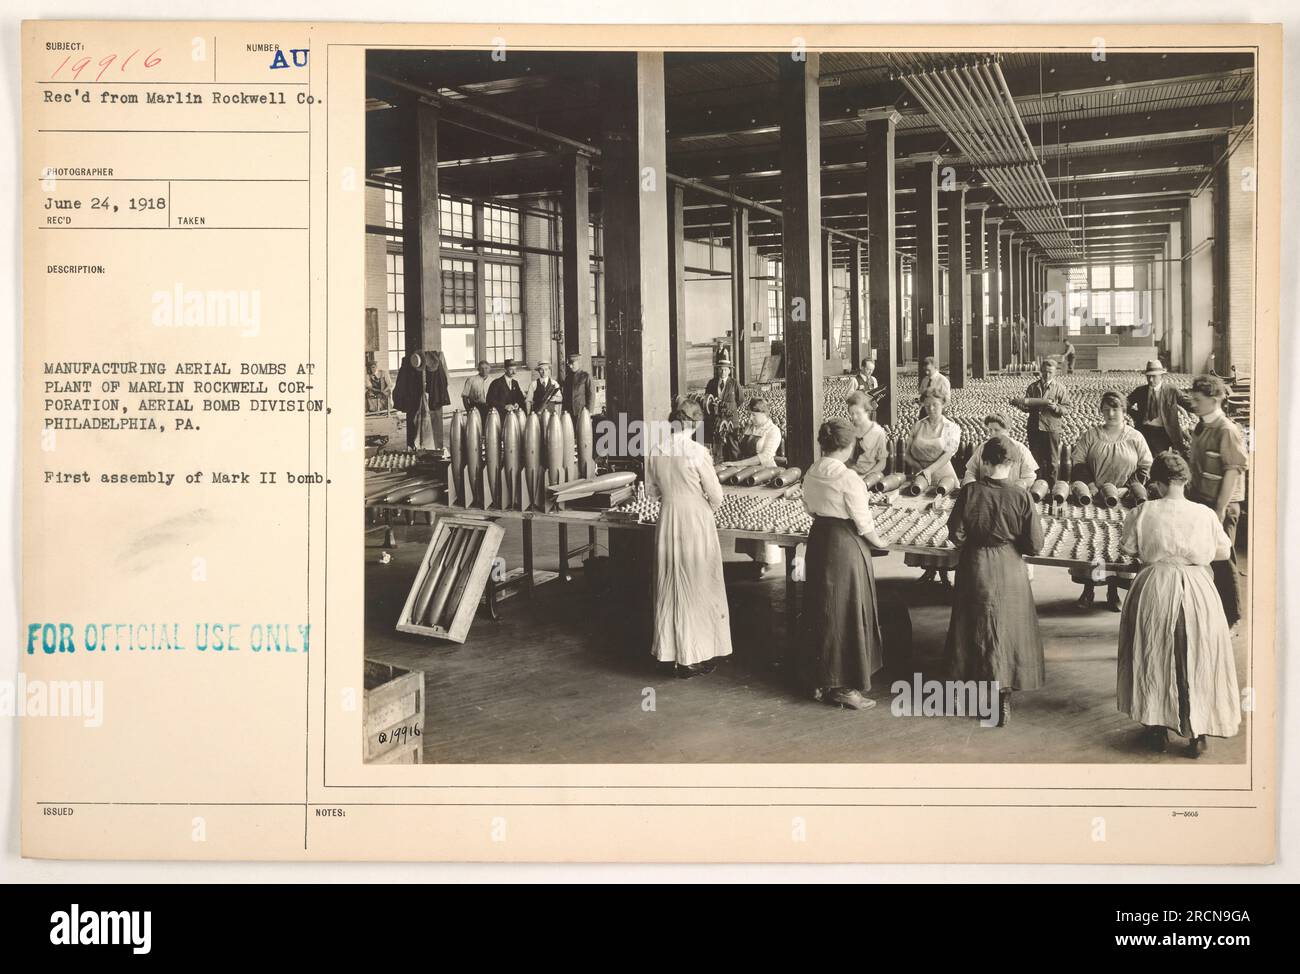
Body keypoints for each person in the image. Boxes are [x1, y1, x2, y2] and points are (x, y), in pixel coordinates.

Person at [1117, 452, 1240, 757]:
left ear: (1157, 483)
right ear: (1185, 481)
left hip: (1156, 586)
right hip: (1197, 589)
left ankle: (1157, 728)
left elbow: (1128, 547)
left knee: (1154, 654)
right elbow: (1223, 552)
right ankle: (1196, 733)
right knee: (1196, 655)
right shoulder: (1204, 513)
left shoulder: (1144, 511)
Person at [945, 436, 1046, 728]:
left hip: (976, 566)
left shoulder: (970, 492)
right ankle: (1003, 695)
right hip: (1010, 567)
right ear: (1012, 464)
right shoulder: (1021, 495)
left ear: (985, 463)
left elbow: (957, 535)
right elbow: (1035, 545)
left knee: (975, 627)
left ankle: (979, 689)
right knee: (1007, 631)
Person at [799, 418, 890, 710]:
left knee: (821, 611)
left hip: (820, 541)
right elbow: (863, 523)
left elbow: (809, 508)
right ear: (849, 447)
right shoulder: (849, 478)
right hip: (844, 546)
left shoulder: (812, 471)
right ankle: (844, 687)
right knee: (847, 613)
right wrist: (881, 542)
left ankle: (819, 680)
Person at [645, 399, 733, 678]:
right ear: (694, 423)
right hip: (695, 520)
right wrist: (701, 503)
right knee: (696, 584)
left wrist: (673, 495)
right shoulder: (697, 452)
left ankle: (669, 653)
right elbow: (716, 496)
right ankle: (691, 657)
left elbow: (650, 493)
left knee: (669, 584)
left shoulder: (655, 450)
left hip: (668, 519)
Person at [1067, 391, 1154, 611]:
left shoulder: (1135, 437)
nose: (1111, 413)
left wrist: (1128, 488)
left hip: (1125, 498)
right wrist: (1092, 486)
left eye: (1115, 408)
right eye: (1106, 409)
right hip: (1094, 497)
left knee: (1117, 544)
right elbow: (1078, 462)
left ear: (1124, 411)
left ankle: (1113, 590)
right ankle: (1089, 589)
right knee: (1092, 543)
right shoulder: (1091, 435)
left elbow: (1145, 466)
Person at [1187, 374, 1248, 628]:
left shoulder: (1227, 430)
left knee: (1223, 558)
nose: (1192, 402)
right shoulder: (1202, 426)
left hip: (1220, 505)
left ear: (1214, 400)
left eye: (1197, 399)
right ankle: (1211, 610)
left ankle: (1232, 618)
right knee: (1205, 557)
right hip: (1202, 500)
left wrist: (1220, 509)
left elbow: (1233, 471)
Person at [903, 387, 962, 586]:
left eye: (935, 405)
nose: (931, 409)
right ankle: (928, 571)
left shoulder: (951, 428)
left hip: (944, 475)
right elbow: (906, 453)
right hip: (921, 477)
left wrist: (930, 471)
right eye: (927, 405)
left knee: (942, 523)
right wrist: (921, 469)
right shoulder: (918, 426)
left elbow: (948, 454)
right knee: (921, 521)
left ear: (943, 404)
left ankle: (945, 572)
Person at [734, 400, 784, 576]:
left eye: (754, 414)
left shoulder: (773, 431)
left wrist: (737, 463)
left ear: (764, 413)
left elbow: (764, 456)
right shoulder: (750, 427)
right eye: (749, 414)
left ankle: (766, 560)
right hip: (747, 473)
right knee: (748, 512)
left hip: (764, 475)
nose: (750, 417)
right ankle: (755, 557)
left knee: (762, 514)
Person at [1011, 357, 1070, 483]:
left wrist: (1056, 408)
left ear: (1055, 373)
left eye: (1050, 372)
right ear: (1041, 371)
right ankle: (1037, 486)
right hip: (1035, 428)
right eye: (1045, 372)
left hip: (1051, 428)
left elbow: (1067, 408)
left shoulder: (1060, 388)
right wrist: (1020, 404)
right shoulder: (1033, 387)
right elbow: (1027, 408)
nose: (1047, 375)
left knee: (1052, 461)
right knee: (1034, 459)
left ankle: (1051, 488)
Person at [1126, 359, 1194, 458]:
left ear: (1161, 376)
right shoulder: (1140, 391)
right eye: (1148, 376)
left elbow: (1188, 403)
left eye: (1153, 376)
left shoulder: (1171, 390)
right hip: (1146, 431)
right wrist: (1136, 415)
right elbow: (1125, 403)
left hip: (1166, 431)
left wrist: (1204, 406)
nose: (1150, 380)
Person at [392, 349, 450, 450]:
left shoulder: (435, 364)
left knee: (427, 424)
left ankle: (427, 445)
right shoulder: (409, 369)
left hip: (428, 399)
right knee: (416, 423)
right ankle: (417, 444)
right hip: (414, 399)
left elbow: (440, 385)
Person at [962, 412, 1036, 489]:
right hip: (985, 493)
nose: (992, 434)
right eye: (990, 430)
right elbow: (970, 472)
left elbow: (1029, 477)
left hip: (1011, 494)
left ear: (1008, 430)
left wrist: (1016, 490)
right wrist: (972, 488)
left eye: (997, 430)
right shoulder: (983, 447)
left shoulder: (1021, 449)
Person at [846, 391, 888, 481]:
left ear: (866, 411)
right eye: (851, 414)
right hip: (849, 476)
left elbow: (882, 462)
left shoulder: (878, 432)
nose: (854, 417)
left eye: (858, 413)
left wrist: (866, 476)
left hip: (869, 477)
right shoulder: (847, 431)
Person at [703, 361, 741, 451]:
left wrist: (729, 408)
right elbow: (707, 398)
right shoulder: (711, 383)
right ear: (717, 370)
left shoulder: (734, 383)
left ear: (729, 371)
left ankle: (735, 462)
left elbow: (740, 400)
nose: (723, 372)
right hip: (716, 418)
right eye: (720, 369)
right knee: (717, 442)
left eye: (725, 370)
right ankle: (720, 461)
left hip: (731, 418)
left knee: (733, 444)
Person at [562, 351, 593, 417]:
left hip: (582, 411)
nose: (570, 366)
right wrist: (563, 410)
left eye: (572, 364)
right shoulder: (568, 378)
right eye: (569, 364)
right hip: (569, 412)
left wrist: (589, 411)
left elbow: (591, 394)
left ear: (578, 363)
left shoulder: (585, 376)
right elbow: (565, 396)